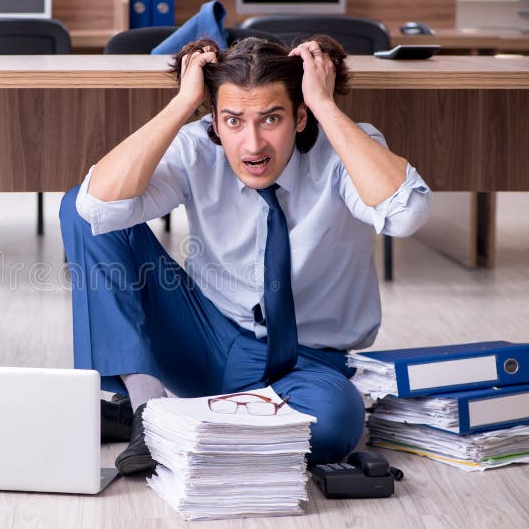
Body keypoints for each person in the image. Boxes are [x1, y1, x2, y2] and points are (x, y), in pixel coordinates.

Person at [59, 36, 432, 475]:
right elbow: (95, 206)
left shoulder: (345, 150)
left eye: (271, 118)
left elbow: (406, 216)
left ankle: (190, 422)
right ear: (215, 122)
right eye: (233, 120)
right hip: (206, 340)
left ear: (299, 116)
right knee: (82, 209)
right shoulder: (198, 146)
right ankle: (148, 414)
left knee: (334, 426)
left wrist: (325, 105)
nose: (252, 145)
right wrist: (184, 103)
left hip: (307, 365)